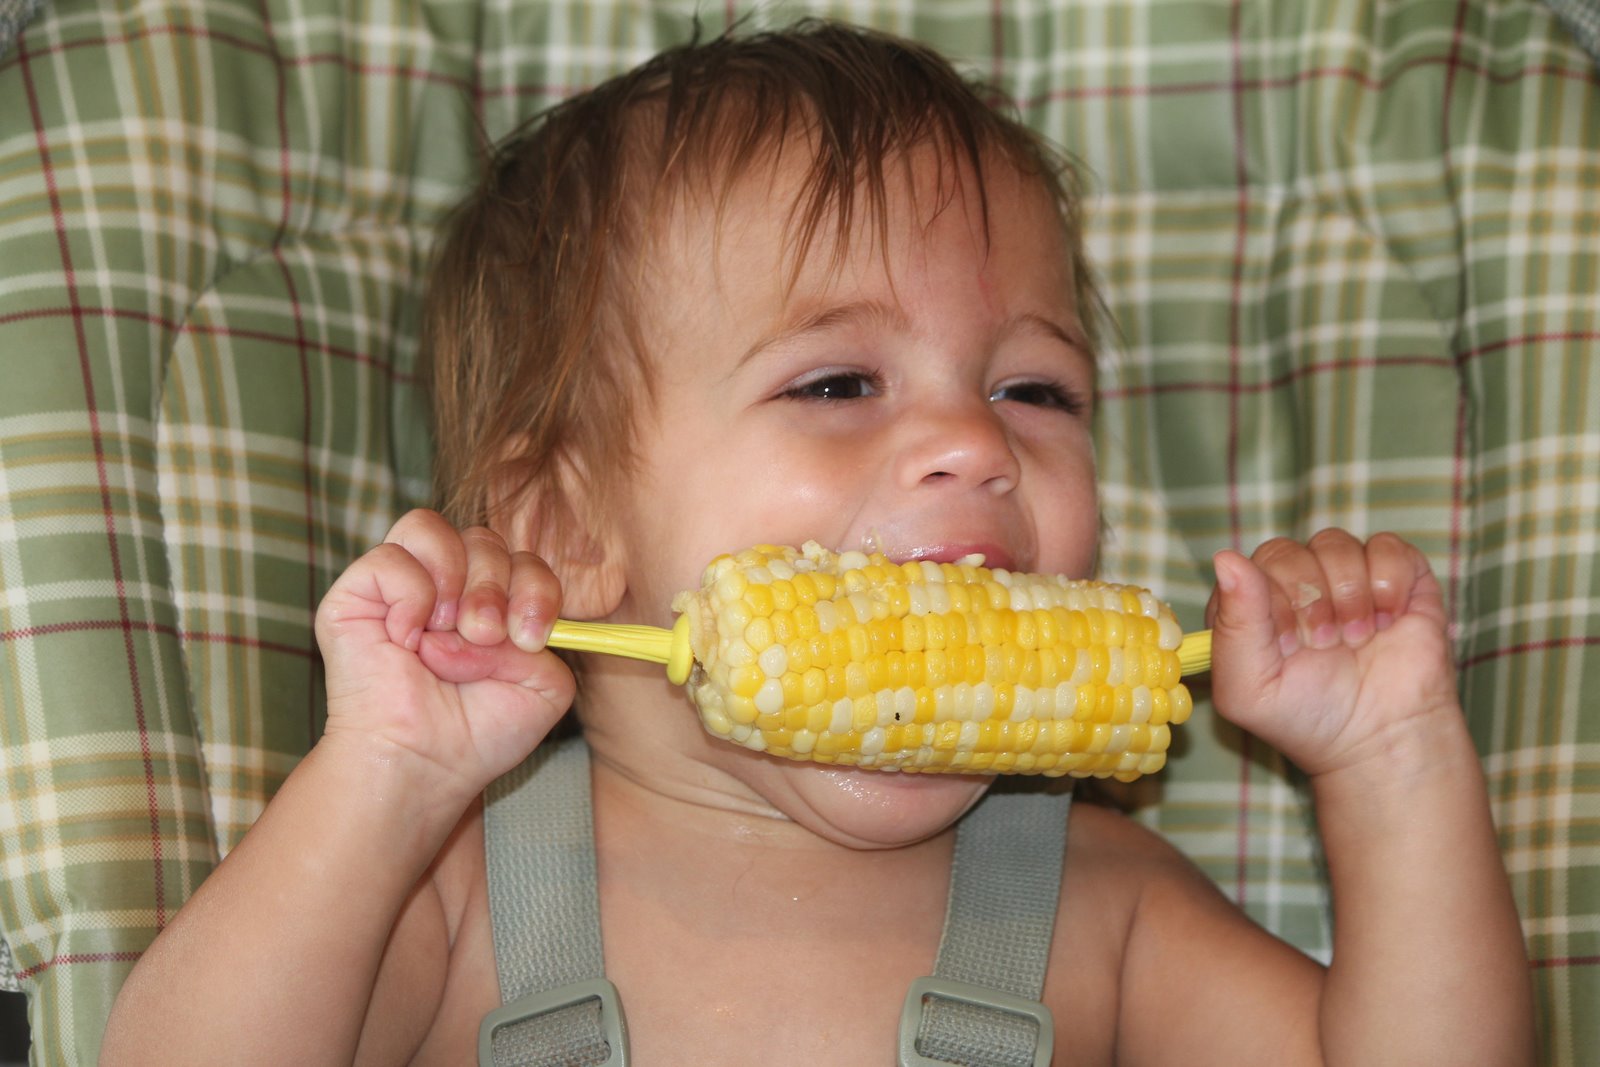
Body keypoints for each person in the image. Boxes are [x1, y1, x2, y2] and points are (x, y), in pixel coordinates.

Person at [101, 20, 1535, 1066]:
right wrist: (386, 779)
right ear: (564, 530)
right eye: (839, 383)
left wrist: (1391, 764)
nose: (974, 443)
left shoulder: (1104, 907)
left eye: (1034, 392)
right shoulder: (459, 889)